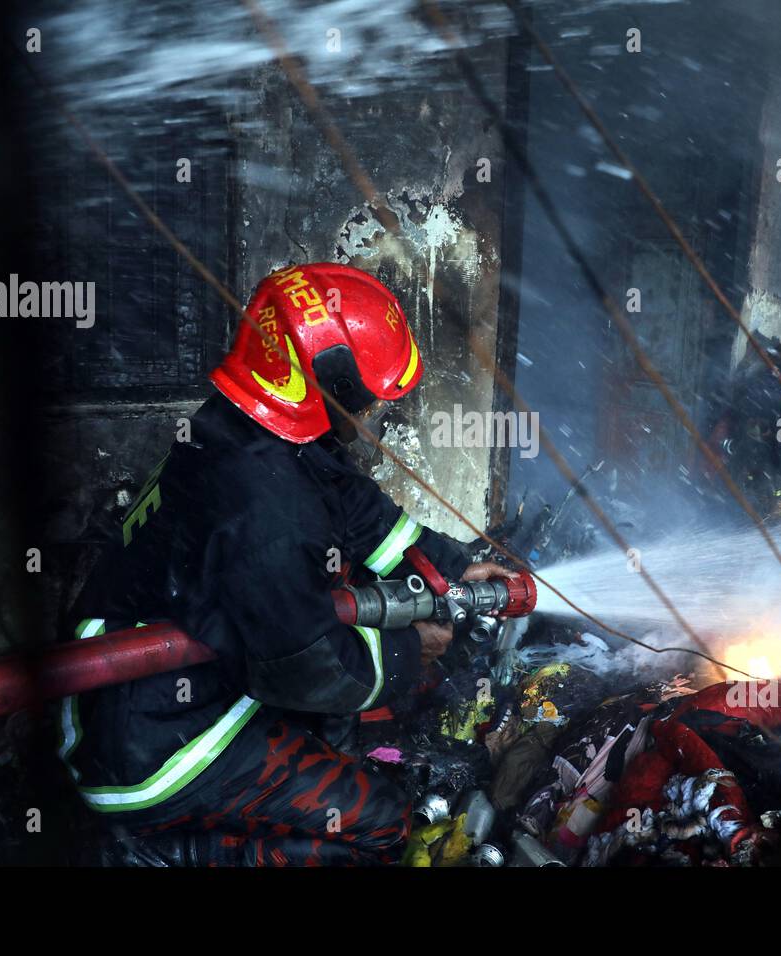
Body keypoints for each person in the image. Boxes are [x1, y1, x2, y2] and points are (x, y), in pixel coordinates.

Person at [60, 262, 510, 865]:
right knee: (380, 824)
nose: (377, 412)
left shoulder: (249, 427)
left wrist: (454, 571)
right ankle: (154, 856)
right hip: (157, 743)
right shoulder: (265, 504)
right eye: (373, 397)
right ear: (336, 384)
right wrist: (410, 650)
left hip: (131, 703)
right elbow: (308, 668)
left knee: (338, 741)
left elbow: (363, 516)